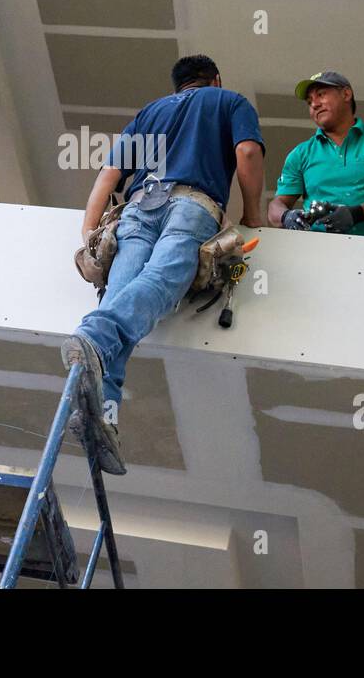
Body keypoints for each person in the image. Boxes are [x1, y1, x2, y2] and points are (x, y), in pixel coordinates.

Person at [62, 55, 265, 474]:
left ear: (178, 86)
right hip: (192, 205)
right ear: (215, 79)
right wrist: (253, 214)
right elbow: (246, 152)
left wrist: (87, 229)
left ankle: (103, 414)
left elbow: (109, 173)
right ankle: (96, 335)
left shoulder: (150, 113)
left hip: (139, 206)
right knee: (163, 282)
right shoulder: (229, 101)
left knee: (120, 298)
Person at [267, 70, 364, 237]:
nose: (314, 104)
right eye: (309, 101)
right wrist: (286, 216)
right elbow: (276, 206)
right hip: (316, 255)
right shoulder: (300, 154)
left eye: (321, 95)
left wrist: (355, 214)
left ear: (346, 94)